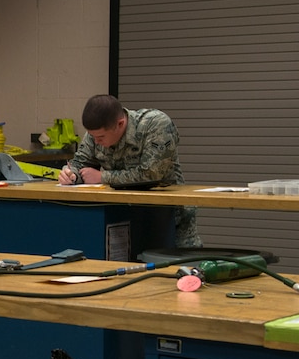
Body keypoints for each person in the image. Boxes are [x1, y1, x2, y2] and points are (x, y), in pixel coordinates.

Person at [59, 94, 201, 246]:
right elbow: (80, 162)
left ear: (120, 124)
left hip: (167, 218)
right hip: (121, 219)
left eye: (100, 137)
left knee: (177, 266)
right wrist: (71, 174)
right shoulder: (97, 133)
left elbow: (151, 174)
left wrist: (103, 177)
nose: (96, 141)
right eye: (93, 136)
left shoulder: (155, 124)